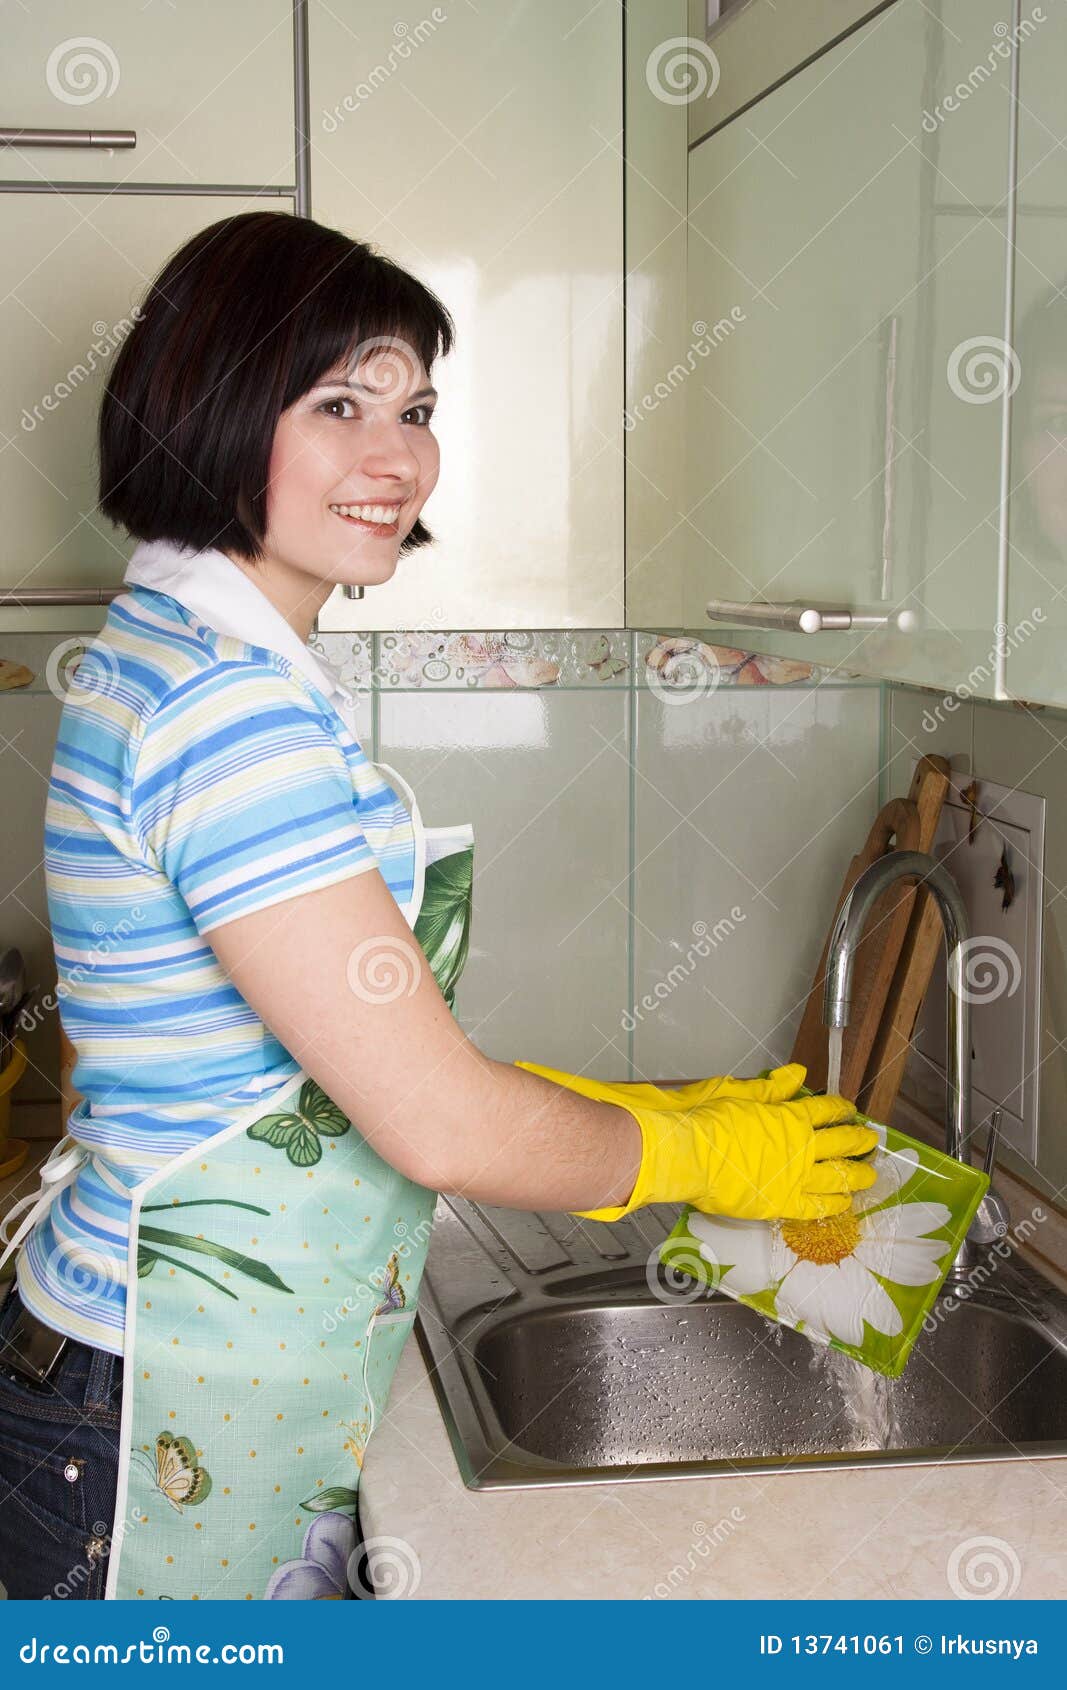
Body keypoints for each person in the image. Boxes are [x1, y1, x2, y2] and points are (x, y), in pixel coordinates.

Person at [0, 211, 876, 1602]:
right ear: (212, 409)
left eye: (414, 408)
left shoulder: (189, 652)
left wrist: (650, 1113)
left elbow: (357, 1061)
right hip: (151, 1399)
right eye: (338, 404)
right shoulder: (227, 711)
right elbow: (435, 1122)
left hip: (160, 1368)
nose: (397, 457)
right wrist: (695, 1152)